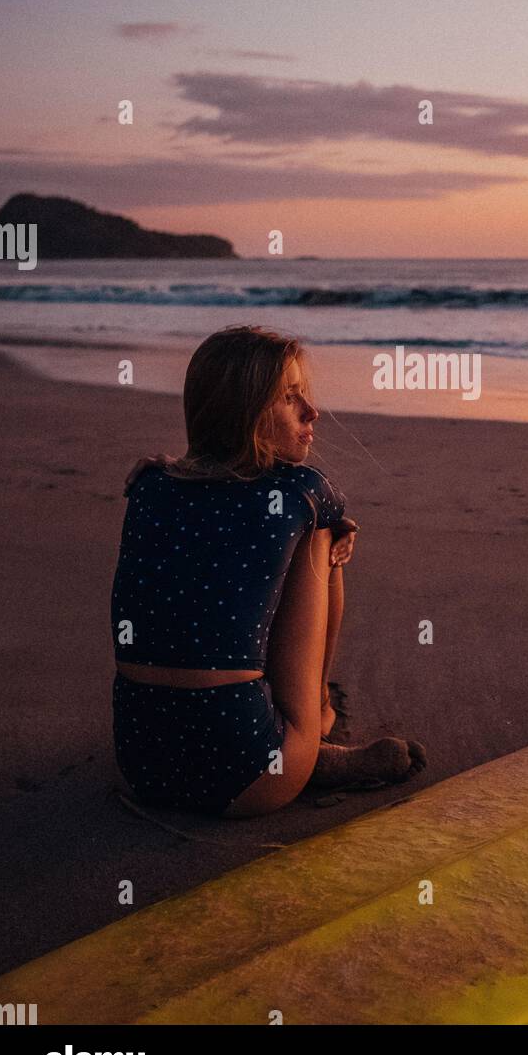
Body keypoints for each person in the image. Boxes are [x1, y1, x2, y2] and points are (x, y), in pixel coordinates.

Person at [111, 324, 426, 818]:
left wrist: (174, 464)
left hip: (141, 764)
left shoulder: (147, 484)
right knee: (322, 536)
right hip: (252, 773)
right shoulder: (304, 489)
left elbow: (211, 495)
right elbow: (317, 510)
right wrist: (330, 526)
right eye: (290, 398)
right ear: (248, 414)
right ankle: (313, 721)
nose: (312, 412)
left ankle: (297, 732)